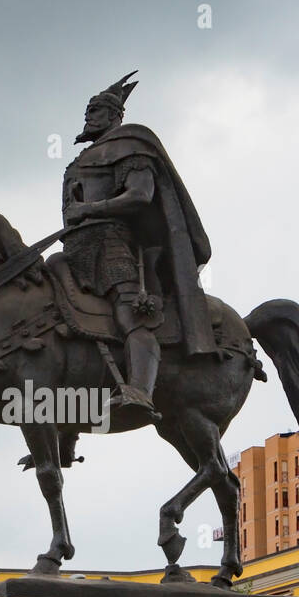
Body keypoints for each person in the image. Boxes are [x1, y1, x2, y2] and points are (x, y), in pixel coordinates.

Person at [60, 71, 214, 423]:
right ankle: (64, 422)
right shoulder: (83, 157)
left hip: (113, 245)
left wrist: (90, 210)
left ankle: (140, 391)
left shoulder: (130, 146)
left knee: (131, 314)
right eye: (88, 109)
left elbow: (140, 196)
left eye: (97, 110)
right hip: (76, 247)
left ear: (115, 117)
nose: (89, 115)